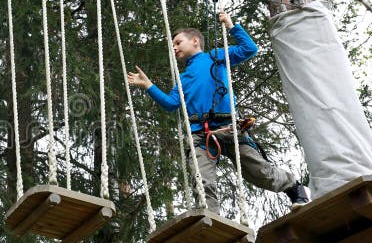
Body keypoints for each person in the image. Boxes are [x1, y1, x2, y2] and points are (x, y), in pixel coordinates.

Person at [127, 12, 309, 214]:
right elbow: (171, 104)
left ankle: (294, 187)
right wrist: (148, 85)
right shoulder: (183, 78)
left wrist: (231, 26)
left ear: (195, 41)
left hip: (229, 127)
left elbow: (249, 49)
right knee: (202, 180)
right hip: (200, 135)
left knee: (259, 172)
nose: (175, 47)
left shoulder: (215, 57)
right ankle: (211, 219)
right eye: (173, 45)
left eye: (178, 42)